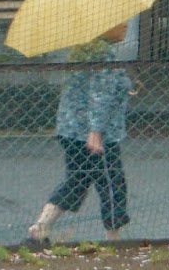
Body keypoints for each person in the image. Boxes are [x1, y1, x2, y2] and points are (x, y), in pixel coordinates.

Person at [27, 22, 134, 243]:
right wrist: (96, 132)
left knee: (78, 180)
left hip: (70, 129)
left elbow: (92, 88)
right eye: (119, 22)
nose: (124, 26)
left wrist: (125, 85)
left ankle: (41, 227)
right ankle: (114, 238)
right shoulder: (103, 54)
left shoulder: (83, 48)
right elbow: (99, 95)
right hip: (95, 134)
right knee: (112, 183)